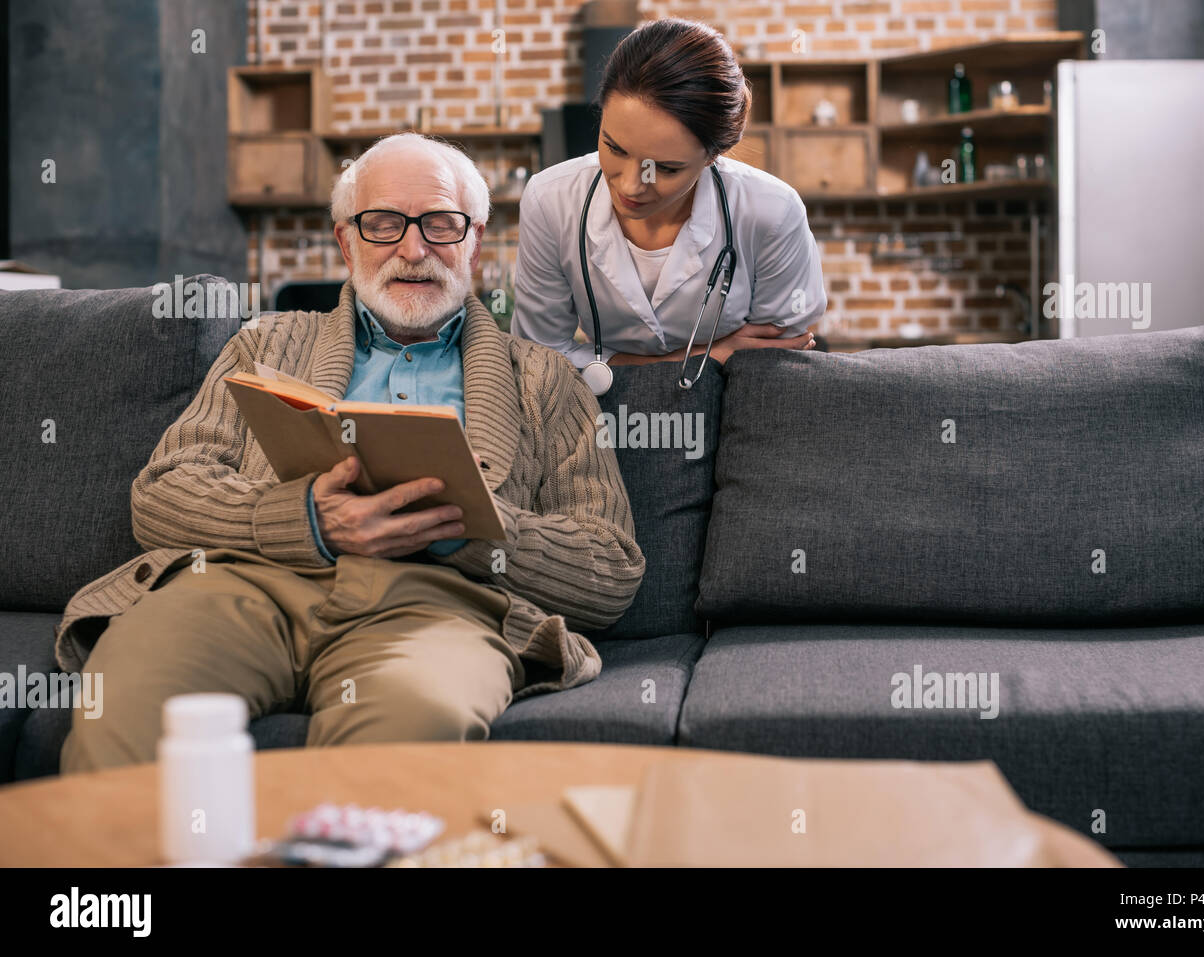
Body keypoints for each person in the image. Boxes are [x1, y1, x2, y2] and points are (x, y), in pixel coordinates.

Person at [56, 132, 644, 772]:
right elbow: (163, 493)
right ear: (346, 241)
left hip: (439, 609)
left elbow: (610, 570)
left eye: (441, 225)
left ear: (474, 242)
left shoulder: (545, 380)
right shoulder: (265, 345)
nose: (414, 249)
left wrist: (469, 526)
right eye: (384, 225)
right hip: (239, 588)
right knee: (126, 710)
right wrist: (306, 517)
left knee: (408, 733)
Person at [511, 18, 826, 387]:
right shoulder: (550, 201)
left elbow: (775, 366)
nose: (631, 184)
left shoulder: (772, 212)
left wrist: (615, 365)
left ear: (713, 155)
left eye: (665, 168)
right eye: (614, 147)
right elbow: (536, 360)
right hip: (601, 422)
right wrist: (712, 355)